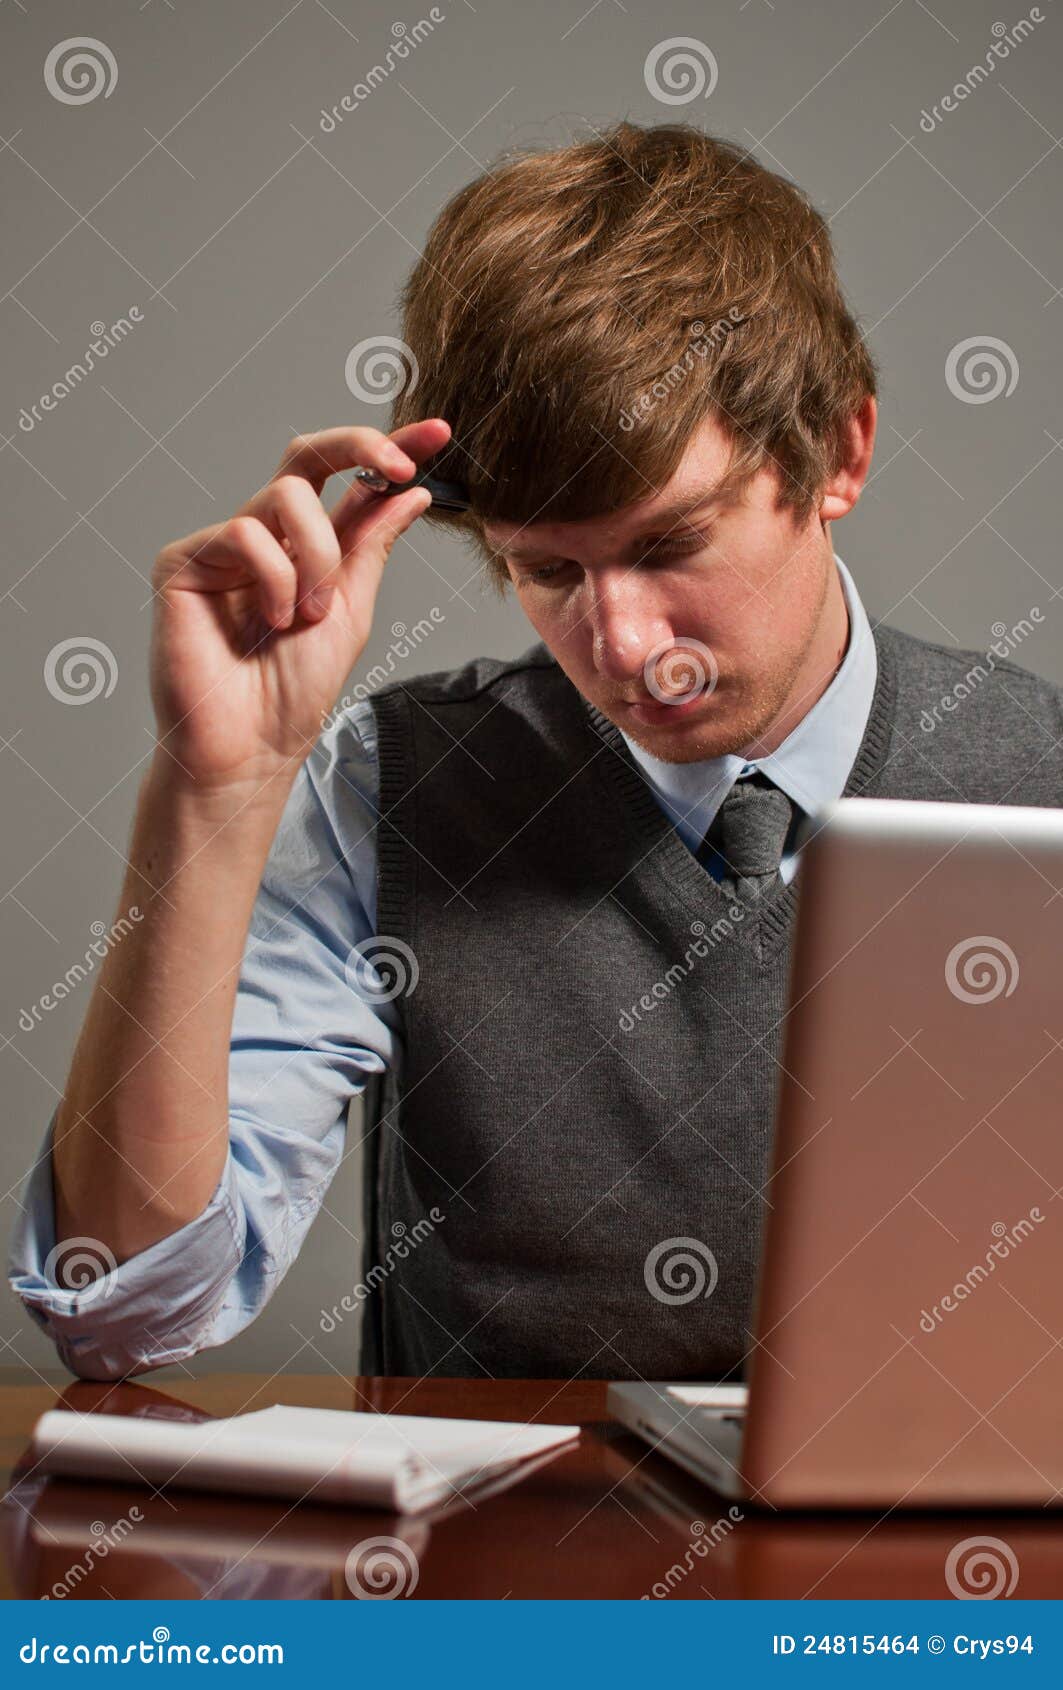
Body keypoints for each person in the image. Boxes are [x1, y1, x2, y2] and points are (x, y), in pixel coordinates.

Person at [8, 122, 1061, 1384]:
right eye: (545, 568)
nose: (621, 645)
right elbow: (121, 1317)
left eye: (669, 546)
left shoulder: (1035, 767)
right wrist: (215, 792)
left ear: (836, 451)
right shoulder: (390, 789)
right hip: (502, 1576)